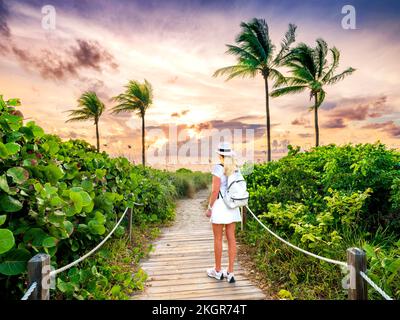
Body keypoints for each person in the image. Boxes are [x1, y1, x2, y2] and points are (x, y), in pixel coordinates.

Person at [205, 142, 241, 283]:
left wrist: (209, 208)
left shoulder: (218, 168)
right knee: (231, 238)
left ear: (220, 155)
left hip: (220, 206)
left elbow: (215, 191)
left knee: (218, 238)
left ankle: (218, 271)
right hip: (232, 206)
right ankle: (230, 272)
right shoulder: (235, 168)